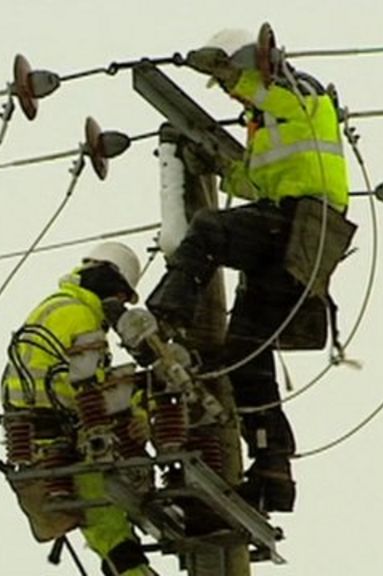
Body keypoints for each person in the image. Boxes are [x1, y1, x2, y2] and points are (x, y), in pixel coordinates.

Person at [146, 28, 355, 513]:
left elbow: (268, 93)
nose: (226, 91)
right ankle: (272, 471)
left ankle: (167, 314)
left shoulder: (301, 91)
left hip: (303, 221)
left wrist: (222, 69)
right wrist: (214, 166)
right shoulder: (267, 124)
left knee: (209, 231)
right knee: (244, 355)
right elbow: (251, 179)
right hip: (293, 237)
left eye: (230, 80)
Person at [0, 241, 159, 576]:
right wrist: (140, 412)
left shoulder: (56, 305)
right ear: (111, 284)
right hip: (62, 432)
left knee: (103, 524)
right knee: (106, 515)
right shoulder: (81, 316)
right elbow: (95, 388)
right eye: (120, 299)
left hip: (39, 441)